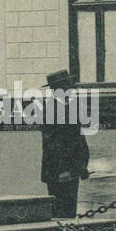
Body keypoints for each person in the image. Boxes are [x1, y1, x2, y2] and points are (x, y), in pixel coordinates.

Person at [40, 69, 90, 218]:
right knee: (62, 212)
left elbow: (76, 140)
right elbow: (54, 145)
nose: (71, 89)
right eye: (68, 86)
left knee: (68, 210)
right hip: (62, 172)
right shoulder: (53, 109)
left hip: (71, 169)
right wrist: (63, 170)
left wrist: (82, 167)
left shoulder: (66, 107)